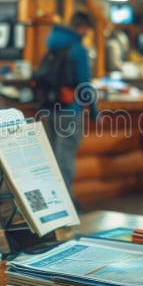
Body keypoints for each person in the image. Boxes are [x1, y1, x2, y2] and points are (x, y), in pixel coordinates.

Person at [41, 11, 97, 207]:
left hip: (49, 109)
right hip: (70, 110)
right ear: (82, 28)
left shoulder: (52, 43)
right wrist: (94, 111)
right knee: (65, 158)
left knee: (53, 156)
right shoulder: (78, 49)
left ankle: (53, 200)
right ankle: (65, 203)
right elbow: (84, 84)